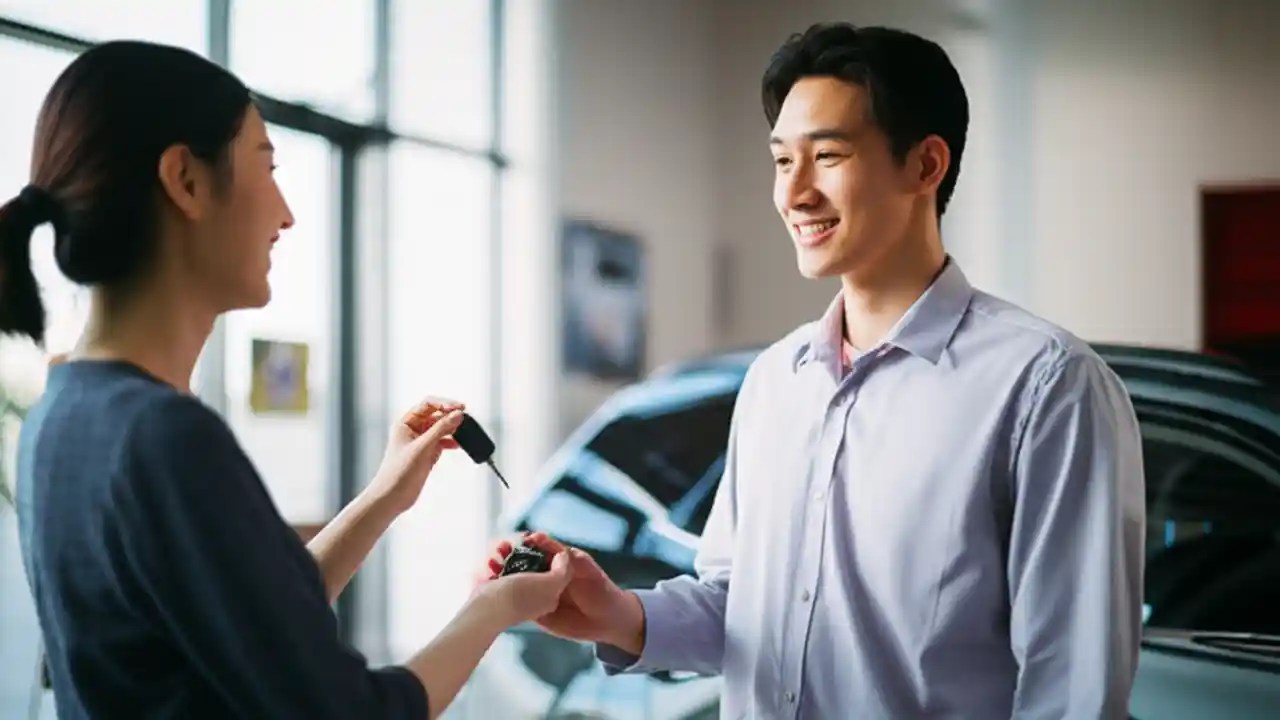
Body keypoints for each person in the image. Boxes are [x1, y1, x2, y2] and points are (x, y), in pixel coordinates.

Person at [482, 22, 1146, 718]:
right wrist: (618, 614)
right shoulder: (777, 382)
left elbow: (1073, 692)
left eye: (827, 155)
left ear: (925, 166)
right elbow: (745, 610)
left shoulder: (1046, 386)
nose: (794, 194)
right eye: (781, 161)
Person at [0, 40, 571, 719]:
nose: (286, 213)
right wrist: (493, 611)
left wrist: (386, 495)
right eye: (265, 166)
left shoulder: (62, 414)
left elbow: (255, 620)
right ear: (185, 180)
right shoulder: (165, 436)